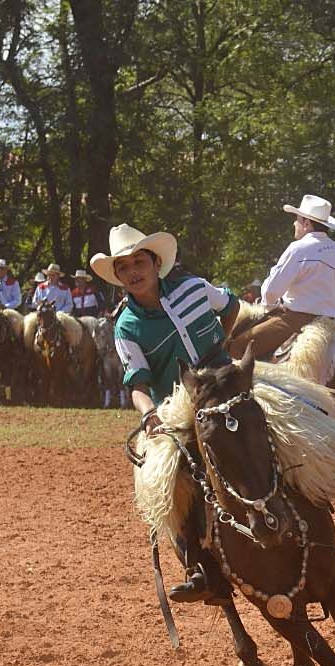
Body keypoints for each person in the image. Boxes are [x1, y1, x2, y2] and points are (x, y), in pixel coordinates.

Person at [95, 223, 241, 604]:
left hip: (225, 381)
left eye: (138, 261)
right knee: (167, 479)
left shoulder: (194, 288)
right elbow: (138, 385)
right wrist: (149, 417)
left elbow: (231, 306)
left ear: (156, 262)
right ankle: (197, 565)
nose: (132, 272)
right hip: (178, 407)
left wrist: (218, 349)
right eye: (123, 267)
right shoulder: (126, 326)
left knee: (289, 417)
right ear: (118, 276)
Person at [228, 194, 335, 360]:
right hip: (334, 324)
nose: (294, 224)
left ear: (306, 223)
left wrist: (271, 307)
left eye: (297, 219)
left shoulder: (298, 249)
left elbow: (270, 291)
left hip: (296, 321)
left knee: (237, 347)